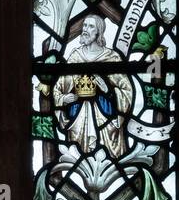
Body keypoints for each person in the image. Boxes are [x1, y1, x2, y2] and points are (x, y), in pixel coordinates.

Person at [53, 14, 133, 160]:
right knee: (78, 161)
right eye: (84, 26)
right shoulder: (75, 57)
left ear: (99, 32)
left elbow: (127, 91)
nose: (85, 30)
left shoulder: (112, 58)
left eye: (91, 27)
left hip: (105, 119)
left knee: (109, 160)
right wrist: (64, 99)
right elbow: (58, 88)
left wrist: (108, 90)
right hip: (78, 120)